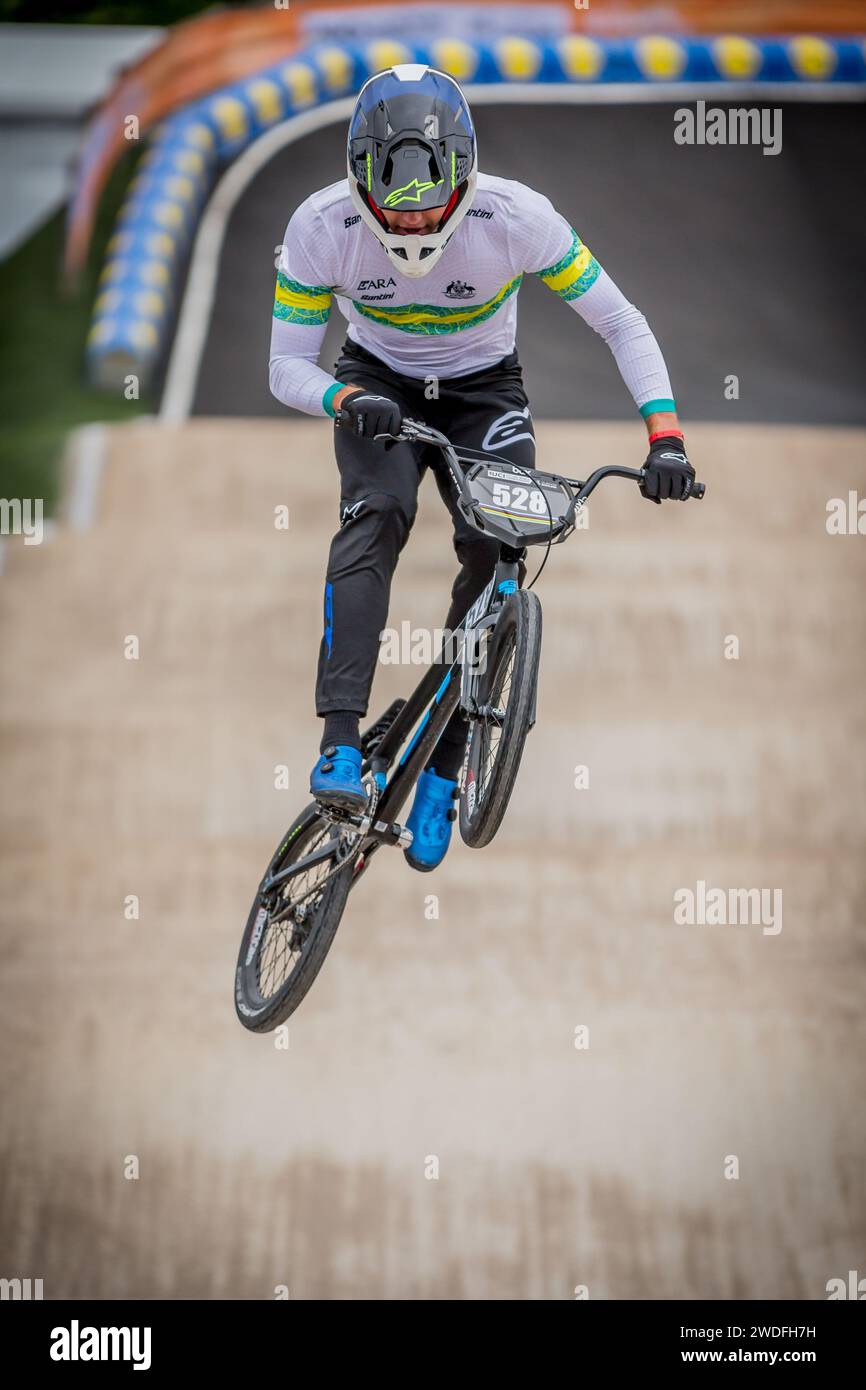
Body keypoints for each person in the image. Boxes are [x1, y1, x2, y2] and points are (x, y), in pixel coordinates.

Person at [269, 63, 694, 871]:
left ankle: (445, 759)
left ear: (466, 176)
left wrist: (664, 438)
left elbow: (622, 322)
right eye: (395, 202)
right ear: (358, 182)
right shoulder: (319, 225)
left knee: (497, 550)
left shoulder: (519, 217)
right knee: (378, 515)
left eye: (432, 198)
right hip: (376, 386)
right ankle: (338, 744)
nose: (416, 216)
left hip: (483, 391)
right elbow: (286, 365)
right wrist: (339, 399)